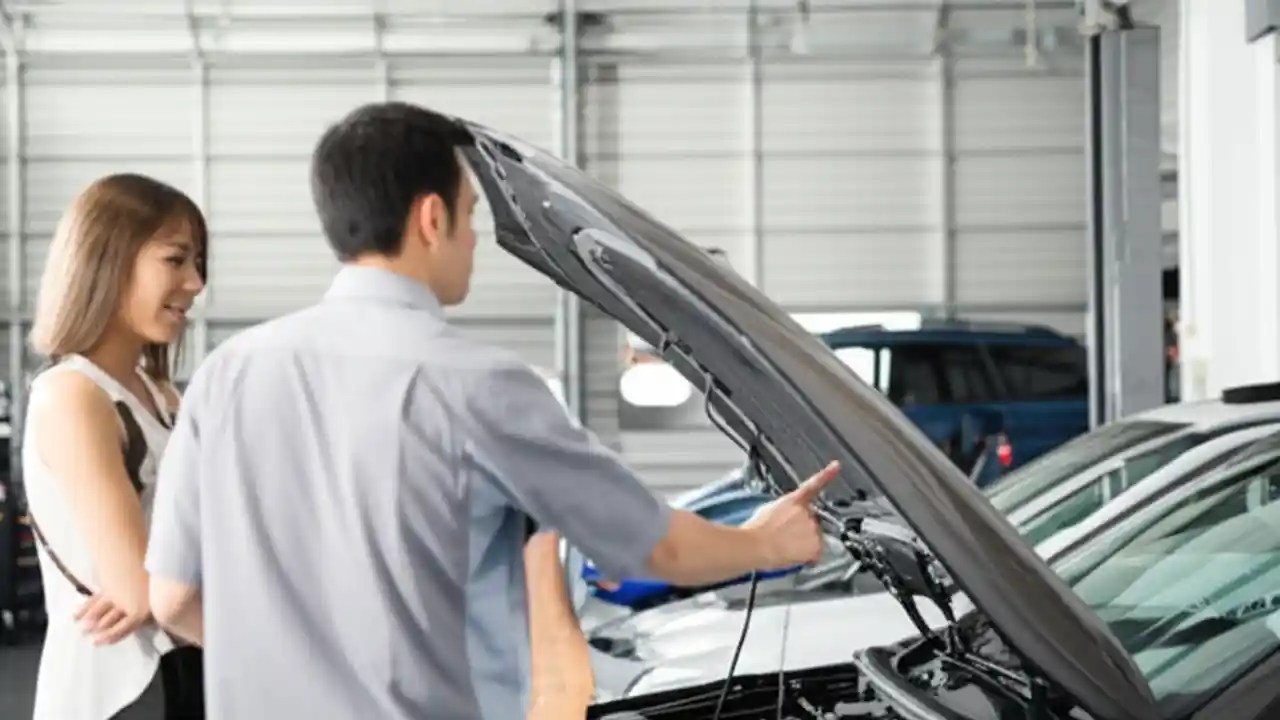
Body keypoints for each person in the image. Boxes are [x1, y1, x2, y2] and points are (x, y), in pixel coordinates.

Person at [144, 101, 840, 720]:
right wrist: (765, 543)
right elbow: (650, 545)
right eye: (472, 214)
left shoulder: (226, 374)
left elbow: (172, 598)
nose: (476, 239)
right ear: (431, 217)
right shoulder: (480, 384)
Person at [23, 173, 208, 719]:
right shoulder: (72, 396)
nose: (196, 283)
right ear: (109, 259)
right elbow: (139, 592)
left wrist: (161, 588)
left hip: (179, 675)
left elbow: (185, 563)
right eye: (176, 260)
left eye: (197, 263)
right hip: (116, 693)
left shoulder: (162, 395)